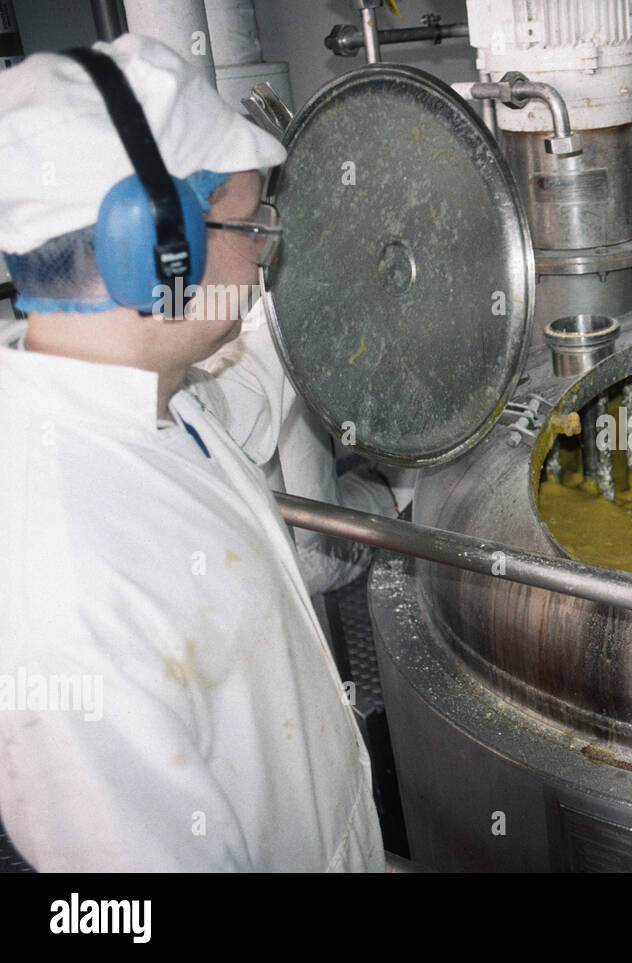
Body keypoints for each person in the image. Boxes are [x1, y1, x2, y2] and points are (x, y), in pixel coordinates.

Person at [0, 34, 384, 871]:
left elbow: (231, 418)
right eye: (251, 224)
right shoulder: (63, 588)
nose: (265, 250)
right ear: (157, 248)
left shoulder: (141, 390)